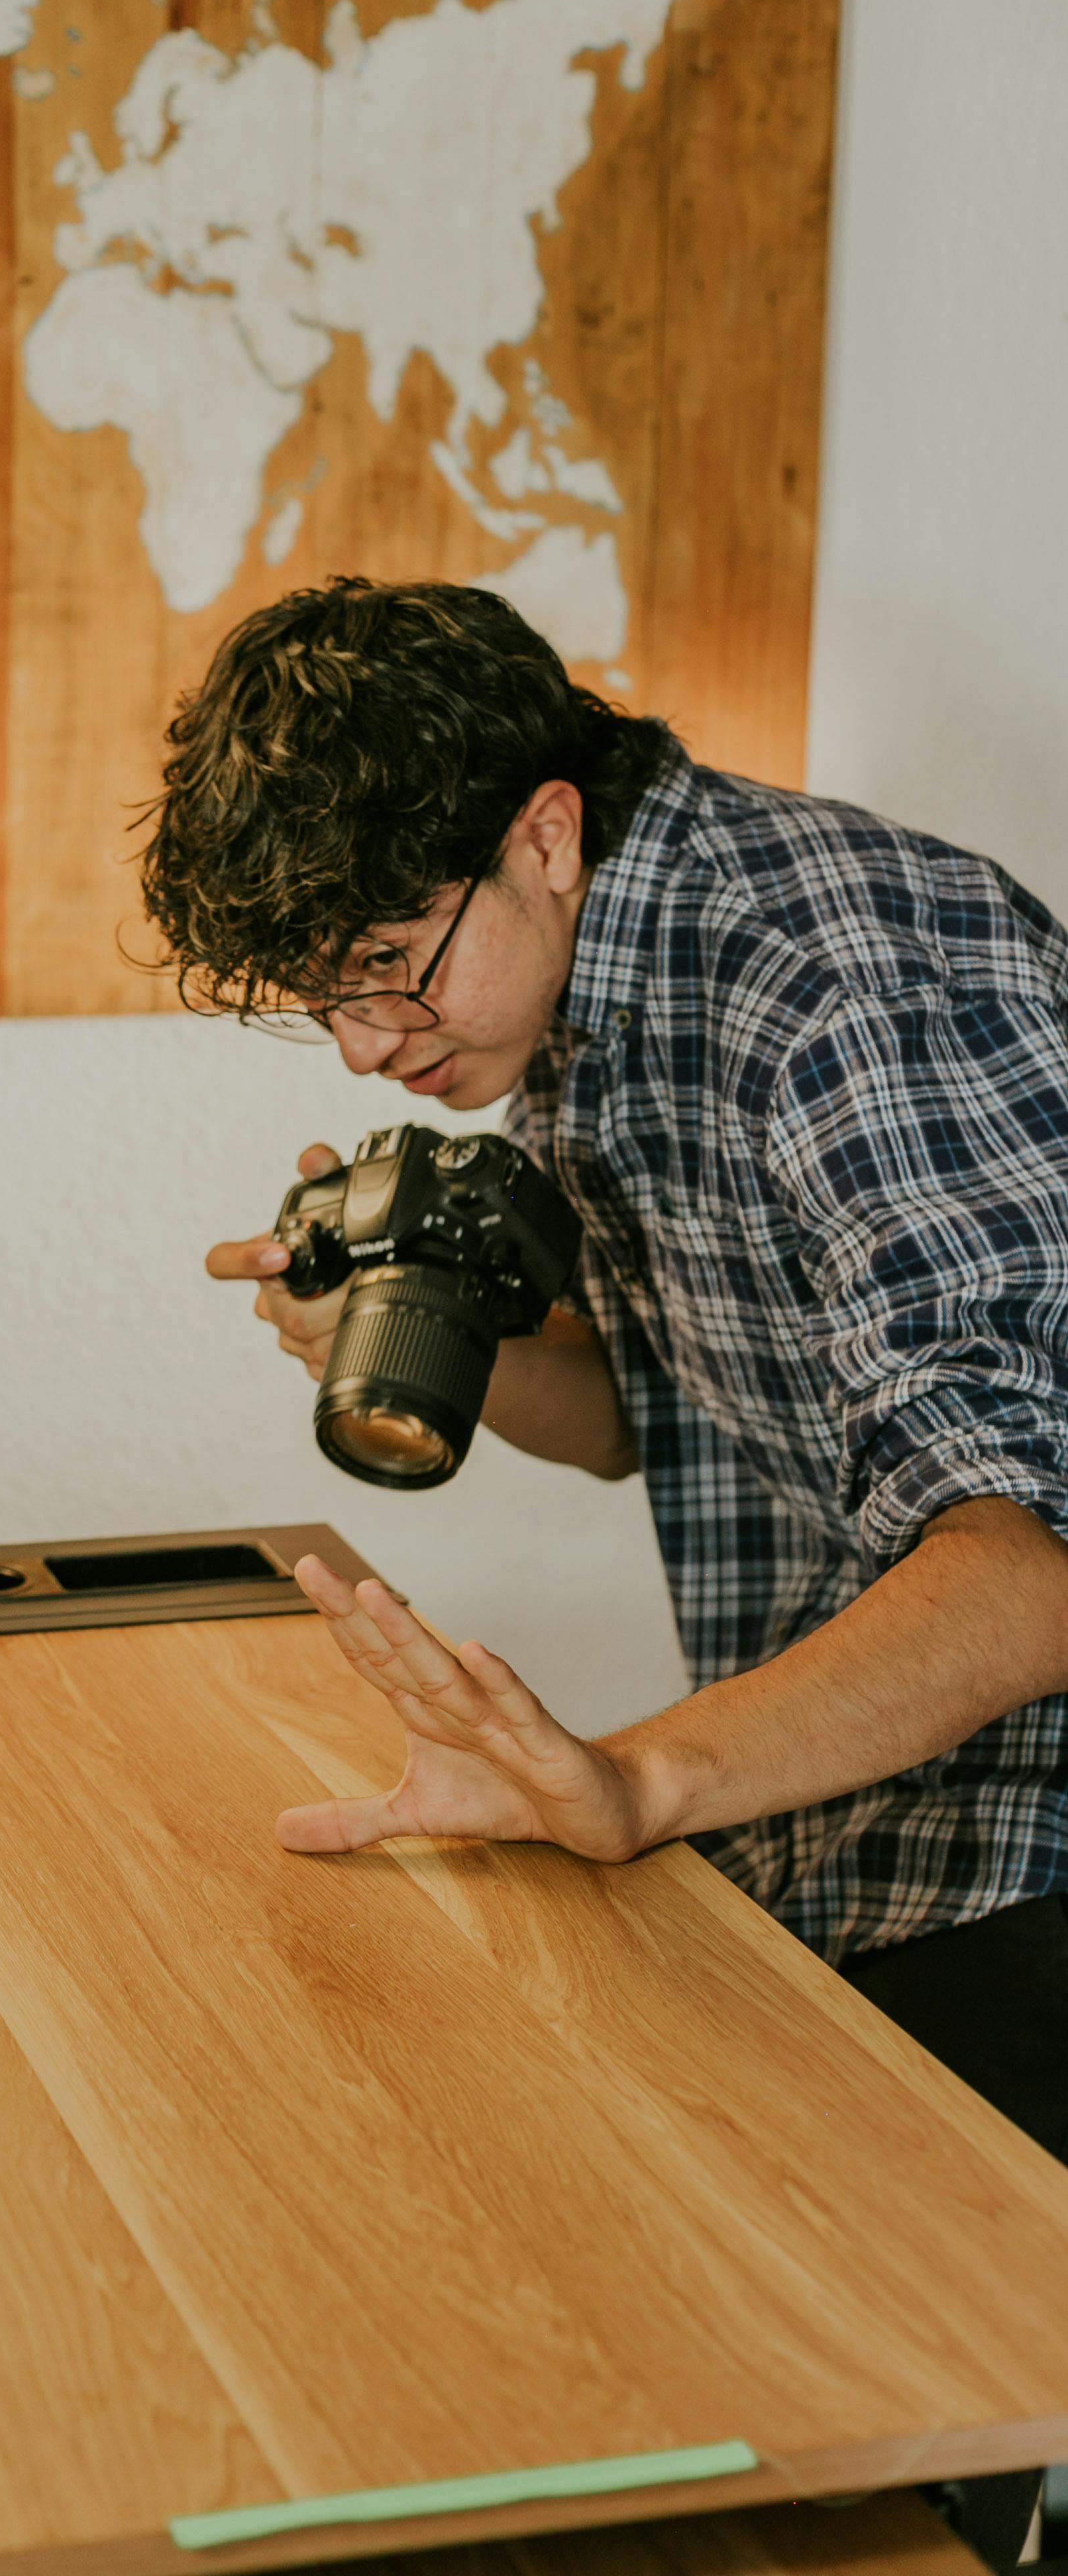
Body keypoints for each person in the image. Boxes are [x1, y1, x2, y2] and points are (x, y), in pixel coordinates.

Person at [142, 576, 1068, 2576]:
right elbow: (662, 1412)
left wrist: (635, 1779)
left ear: (545, 835)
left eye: (393, 969)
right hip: (868, 1835)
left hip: (1029, 1860)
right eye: (325, 1001)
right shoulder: (590, 986)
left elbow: (1026, 1573)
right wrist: (403, 1333)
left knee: (830, 2455)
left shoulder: (841, 986)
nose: (371, 1043)